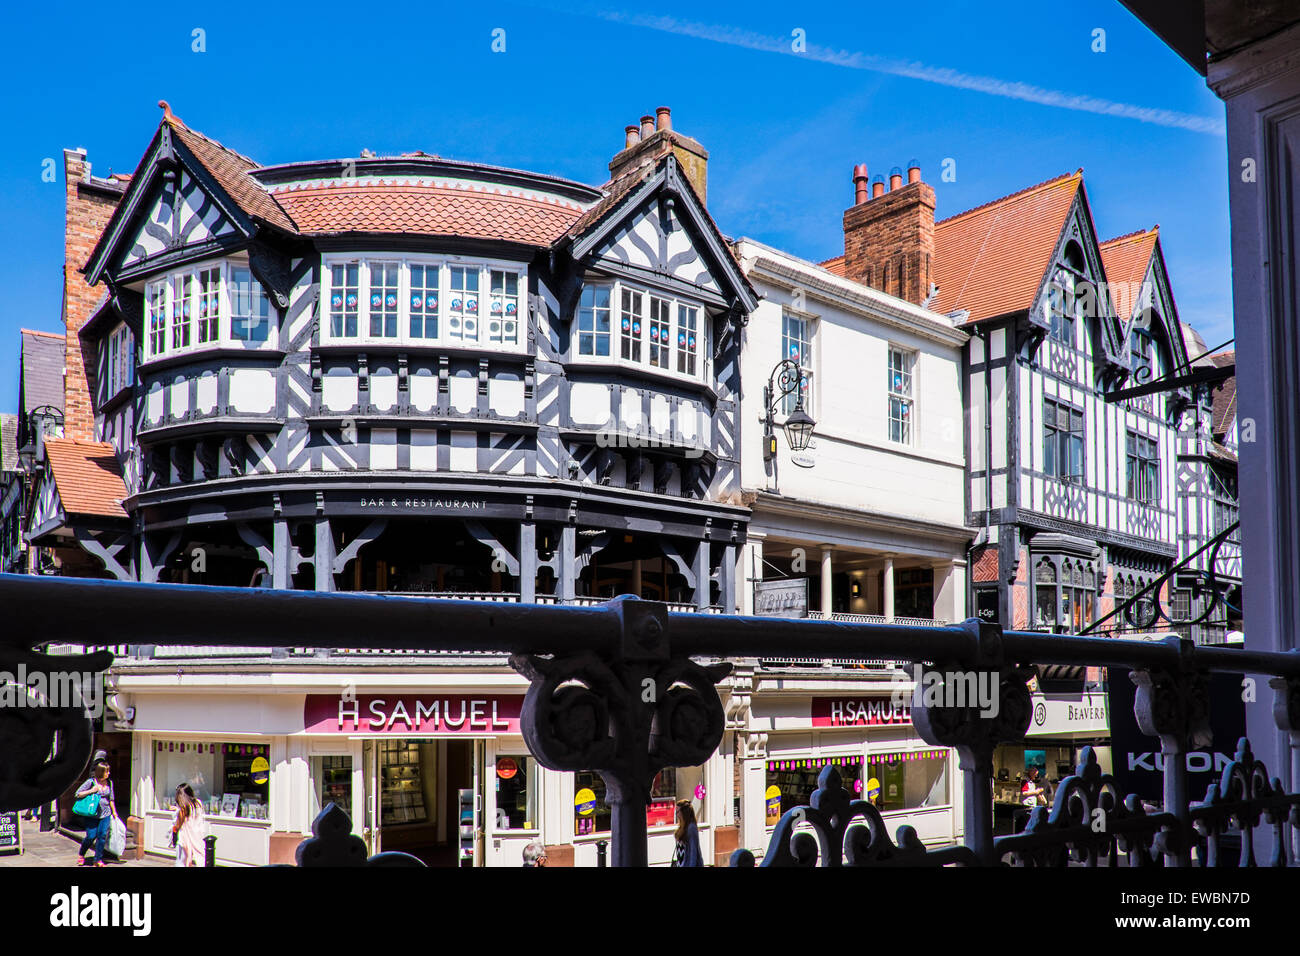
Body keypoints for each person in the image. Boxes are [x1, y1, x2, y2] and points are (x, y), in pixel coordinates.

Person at [74, 754, 115, 867]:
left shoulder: (110, 783)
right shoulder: (91, 782)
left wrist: (114, 812)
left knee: (102, 836)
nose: (109, 773)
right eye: (107, 771)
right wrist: (91, 790)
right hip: (92, 814)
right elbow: (77, 794)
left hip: (105, 814)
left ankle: (97, 859)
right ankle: (82, 854)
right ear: (101, 772)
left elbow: (111, 798)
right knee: (91, 836)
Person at [170, 783, 207, 867]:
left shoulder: (183, 809)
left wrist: (174, 831)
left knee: (182, 862)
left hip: (184, 838)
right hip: (197, 836)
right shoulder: (198, 803)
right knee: (200, 858)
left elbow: (178, 825)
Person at [671, 799, 703, 867]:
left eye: (677, 812)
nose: (676, 814)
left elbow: (693, 852)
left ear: (684, 812)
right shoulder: (682, 826)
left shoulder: (691, 828)